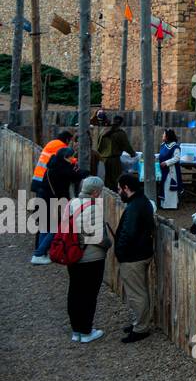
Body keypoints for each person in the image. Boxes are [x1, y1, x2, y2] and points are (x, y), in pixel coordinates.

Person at [66, 176, 108, 344]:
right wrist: (109, 243)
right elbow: (97, 238)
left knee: (75, 291)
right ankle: (86, 330)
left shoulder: (71, 203)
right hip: (91, 258)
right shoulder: (93, 207)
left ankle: (76, 330)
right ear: (96, 192)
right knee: (89, 295)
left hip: (73, 256)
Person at [114, 172, 155, 343]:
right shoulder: (141, 202)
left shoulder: (135, 206)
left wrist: (120, 251)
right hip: (140, 253)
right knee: (140, 291)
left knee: (137, 294)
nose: (118, 193)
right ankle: (140, 322)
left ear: (126, 188)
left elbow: (128, 233)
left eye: (119, 189)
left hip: (133, 257)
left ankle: (141, 328)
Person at [31, 129, 76, 264]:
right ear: (67, 140)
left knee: (44, 222)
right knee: (53, 225)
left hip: (39, 183)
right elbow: (69, 162)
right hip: (49, 189)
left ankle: (39, 251)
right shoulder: (61, 147)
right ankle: (40, 252)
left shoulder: (51, 143)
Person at [95, 116, 134, 188]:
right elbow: (126, 146)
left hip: (102, 160)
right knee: (115, 182)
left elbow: (98, 145)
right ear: (120, 123)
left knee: (104, 180)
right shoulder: (120, 133)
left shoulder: (103, 131)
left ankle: (105, 197)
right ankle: (114, 198)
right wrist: (133, 154)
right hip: (114, 161)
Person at [157, 129, 182, 210]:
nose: (162, 136)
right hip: (163, 170)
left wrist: (166, 163)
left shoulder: (175, 147)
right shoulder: (163, 145)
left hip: (171, 171)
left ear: (167, 137)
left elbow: (177, 158)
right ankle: (164, 204)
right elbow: (161, 155)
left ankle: (171, 205)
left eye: (164, 135)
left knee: (169, 187)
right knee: (164, 186)